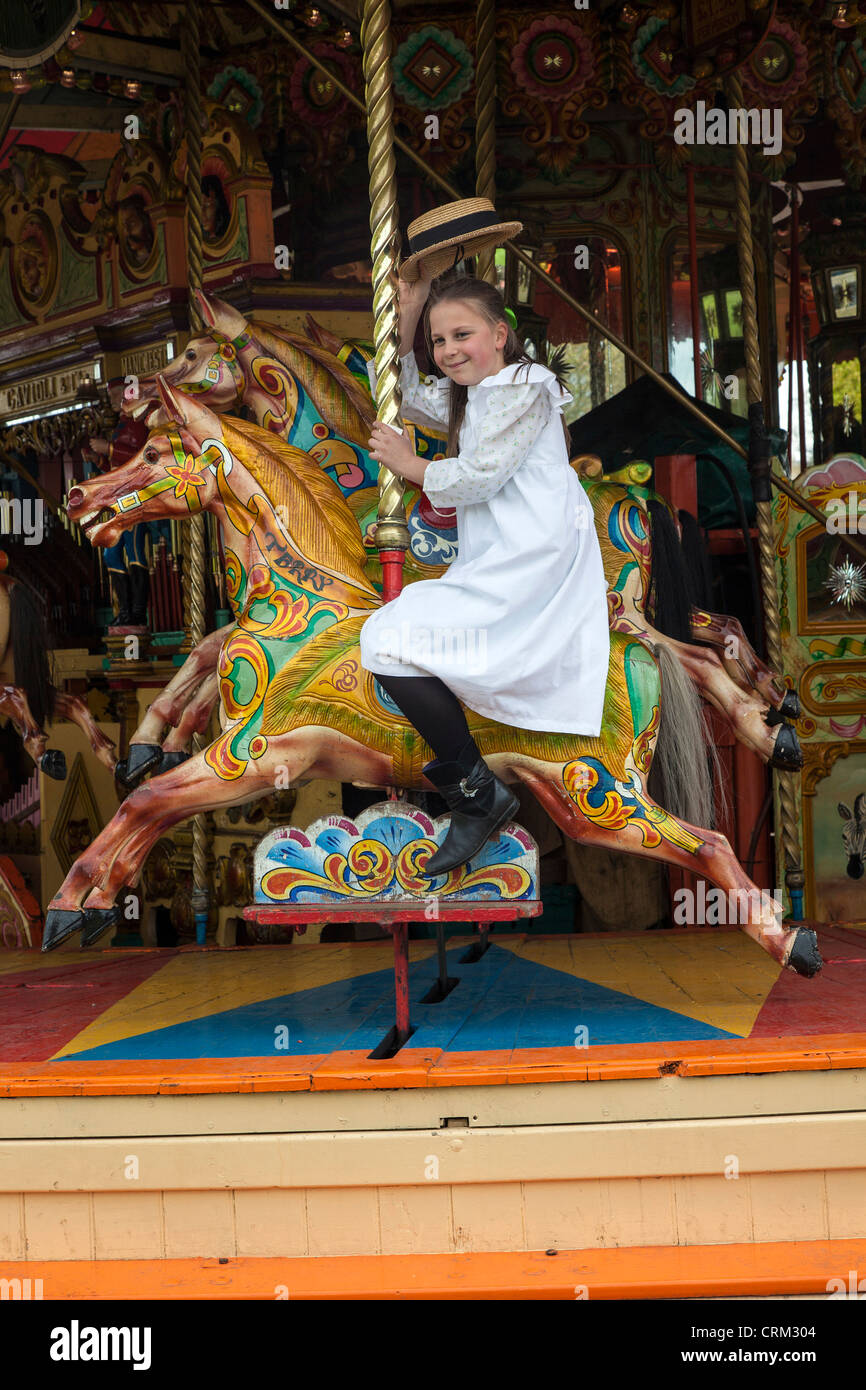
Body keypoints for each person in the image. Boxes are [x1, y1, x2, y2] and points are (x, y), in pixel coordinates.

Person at [360, 214, 610, 877]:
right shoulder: (482, 394)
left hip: (530, 566)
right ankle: (475, 788)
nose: (448, 349)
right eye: (440, 340)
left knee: (385, 639)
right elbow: (407, 399)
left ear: (501, 336)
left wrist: (412, 466)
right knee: (386, 638)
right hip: (500, 562)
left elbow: (477, 476)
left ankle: (475, 794)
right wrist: (411, 303)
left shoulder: (527, 388)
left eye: (462, 334)